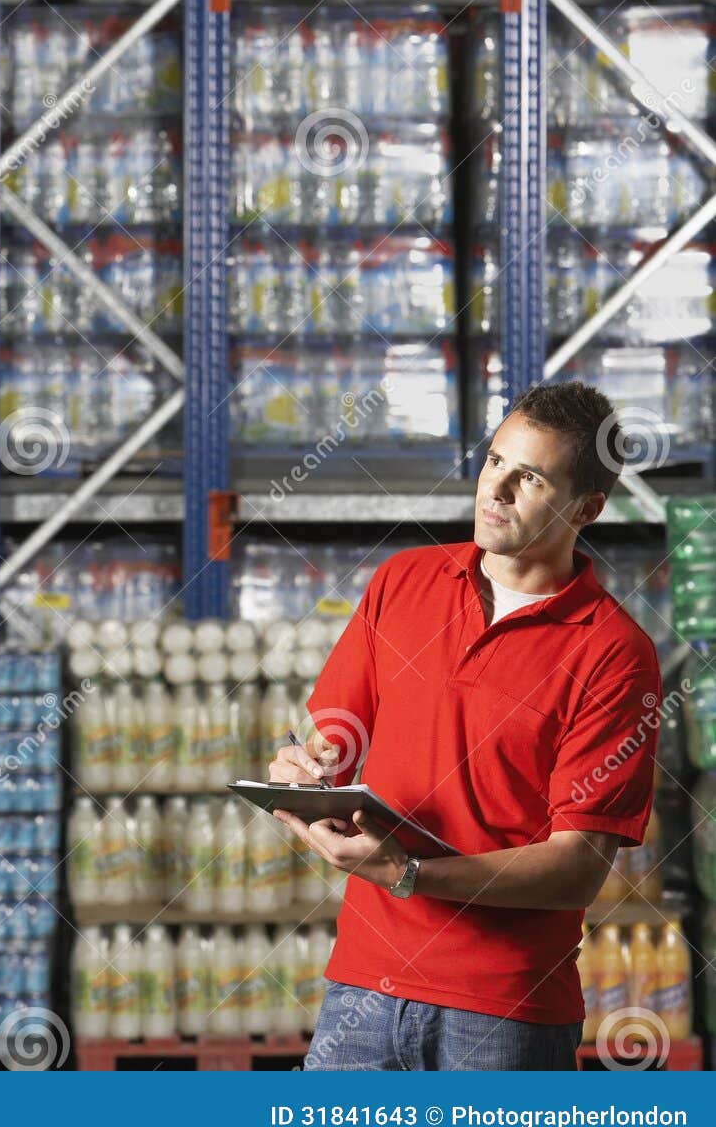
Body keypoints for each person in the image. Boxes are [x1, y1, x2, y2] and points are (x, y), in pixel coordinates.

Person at [270, 381, 662, 1071]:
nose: (496, 490)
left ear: (586, 507)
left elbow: (575, 869)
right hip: (361, 986)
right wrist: (304, 772)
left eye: (529, 477)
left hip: (502, 1011)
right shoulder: (403, 581)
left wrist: (409, 873)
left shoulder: (611, 653)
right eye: (493, 462)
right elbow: (336, 736)